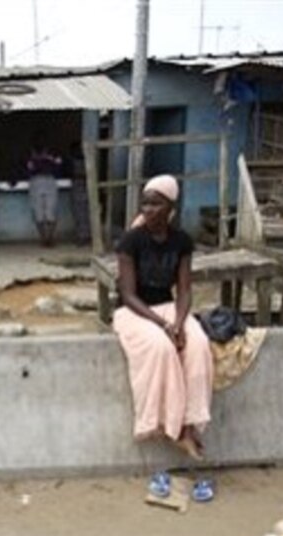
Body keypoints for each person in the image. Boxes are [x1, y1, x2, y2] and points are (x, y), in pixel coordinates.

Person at [112, 175, 213, 461]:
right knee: (161, 348)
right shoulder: (130, 241)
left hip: (168, 308)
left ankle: (191, 425)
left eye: (156, 204)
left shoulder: (181, 241)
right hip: (133, 311)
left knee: (198, 345)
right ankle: (170, 427)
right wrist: (164, 326)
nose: (148, 209)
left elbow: (183, 289)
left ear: (171, 207)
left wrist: (179, 323)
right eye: (145, 203)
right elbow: (128, 294)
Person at [25, 134, 64, 247]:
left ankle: (50, 238)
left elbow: (59, 165)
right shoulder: (30, 153)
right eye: (38, 140)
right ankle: (43, 238)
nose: (40, 142)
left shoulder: (53, 153)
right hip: (36, 181)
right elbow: (29, 168)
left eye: (42, 140)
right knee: (38, 212)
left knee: (51, 211)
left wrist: (47, 160)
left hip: (50, 180)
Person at [67, 142, 92, 246]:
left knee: (81, 214)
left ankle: (84, 237)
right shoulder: (87, 161)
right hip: (83, 188)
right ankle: (84, 236)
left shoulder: (81, 162)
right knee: (82, 213)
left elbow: (75, 174)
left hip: (81, 188)